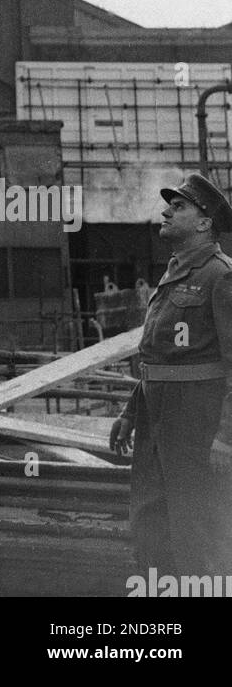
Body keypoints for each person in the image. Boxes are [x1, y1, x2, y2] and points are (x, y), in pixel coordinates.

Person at [110, 173, 232, 578]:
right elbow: (157, 353)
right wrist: (131, 411)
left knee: (195, 524)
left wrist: (225, 437)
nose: (166, 210)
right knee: (150, 515)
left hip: (196, 418)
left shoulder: (221, 276)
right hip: (156, 414)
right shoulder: (174, 273)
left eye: (179, 206)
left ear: (204, 222)